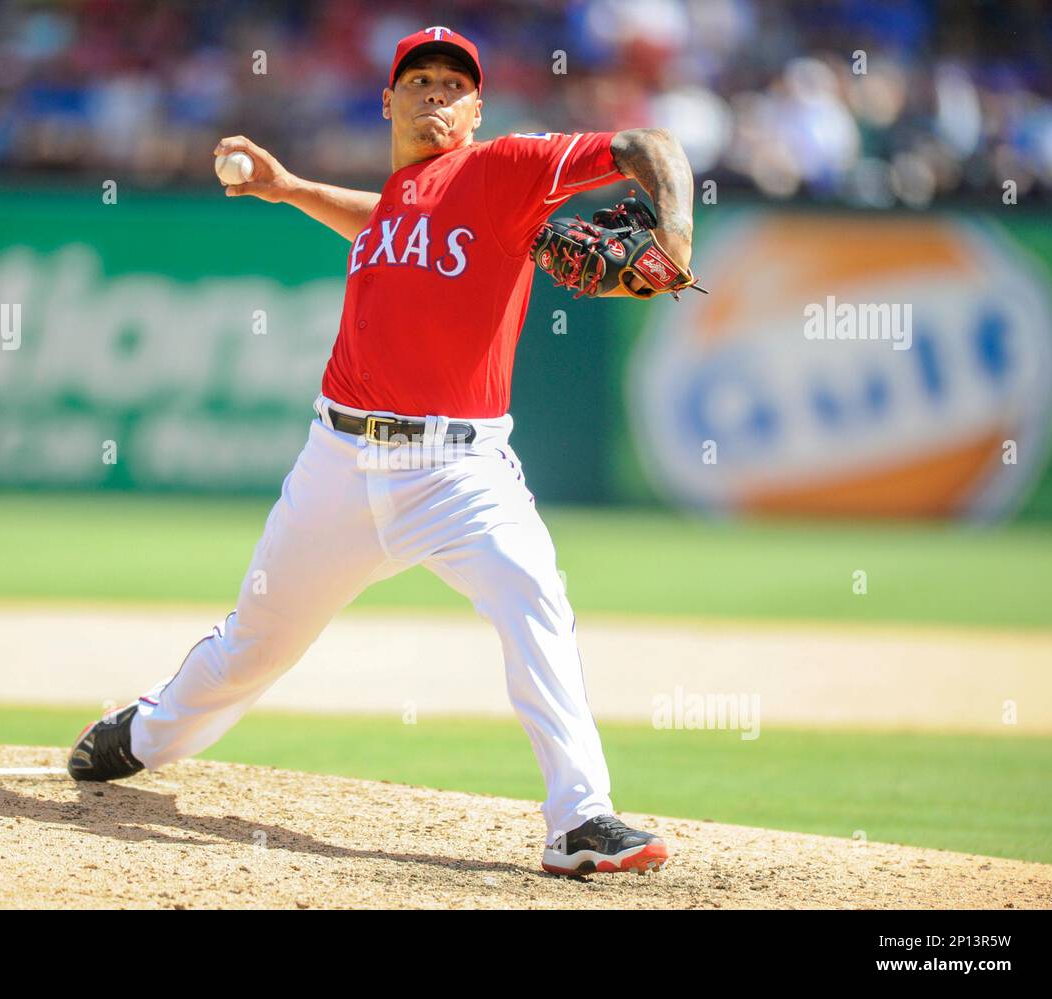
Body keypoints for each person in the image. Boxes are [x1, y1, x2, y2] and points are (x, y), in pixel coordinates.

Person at [69, 26, 695, 877]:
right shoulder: (406, 195)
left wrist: (677, 234)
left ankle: (580, 818)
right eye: (421, 80)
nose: (437, 94)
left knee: (532, 599)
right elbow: (385, 215)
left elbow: (648, 145)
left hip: (463, 472)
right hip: (338, 463)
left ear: (477, 109)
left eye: (454, 85)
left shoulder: (502, 171)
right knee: (258, 640)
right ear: (390, 100)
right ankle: (142, 734)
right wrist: (289, 189)